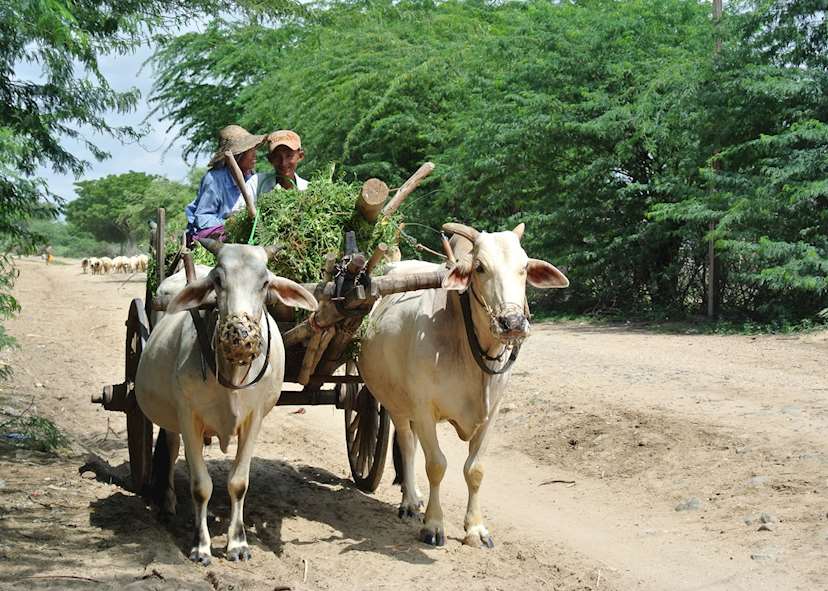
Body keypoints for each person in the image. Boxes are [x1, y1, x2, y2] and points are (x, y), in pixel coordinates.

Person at [185, 125, 264, 244]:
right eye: (250, 150)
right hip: (216, 234)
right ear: (238, 155)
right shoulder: (214, 179)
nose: (254, 155)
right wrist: (228, 222)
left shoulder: (252, 178)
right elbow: (202, 218)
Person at [245, 130, 308, 197]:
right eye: (277, 157)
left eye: (289, 156)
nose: (283, 163)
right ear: (270, 159)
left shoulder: (308, 189)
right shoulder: (257, 184)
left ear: (300, 156)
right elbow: (241, 206)